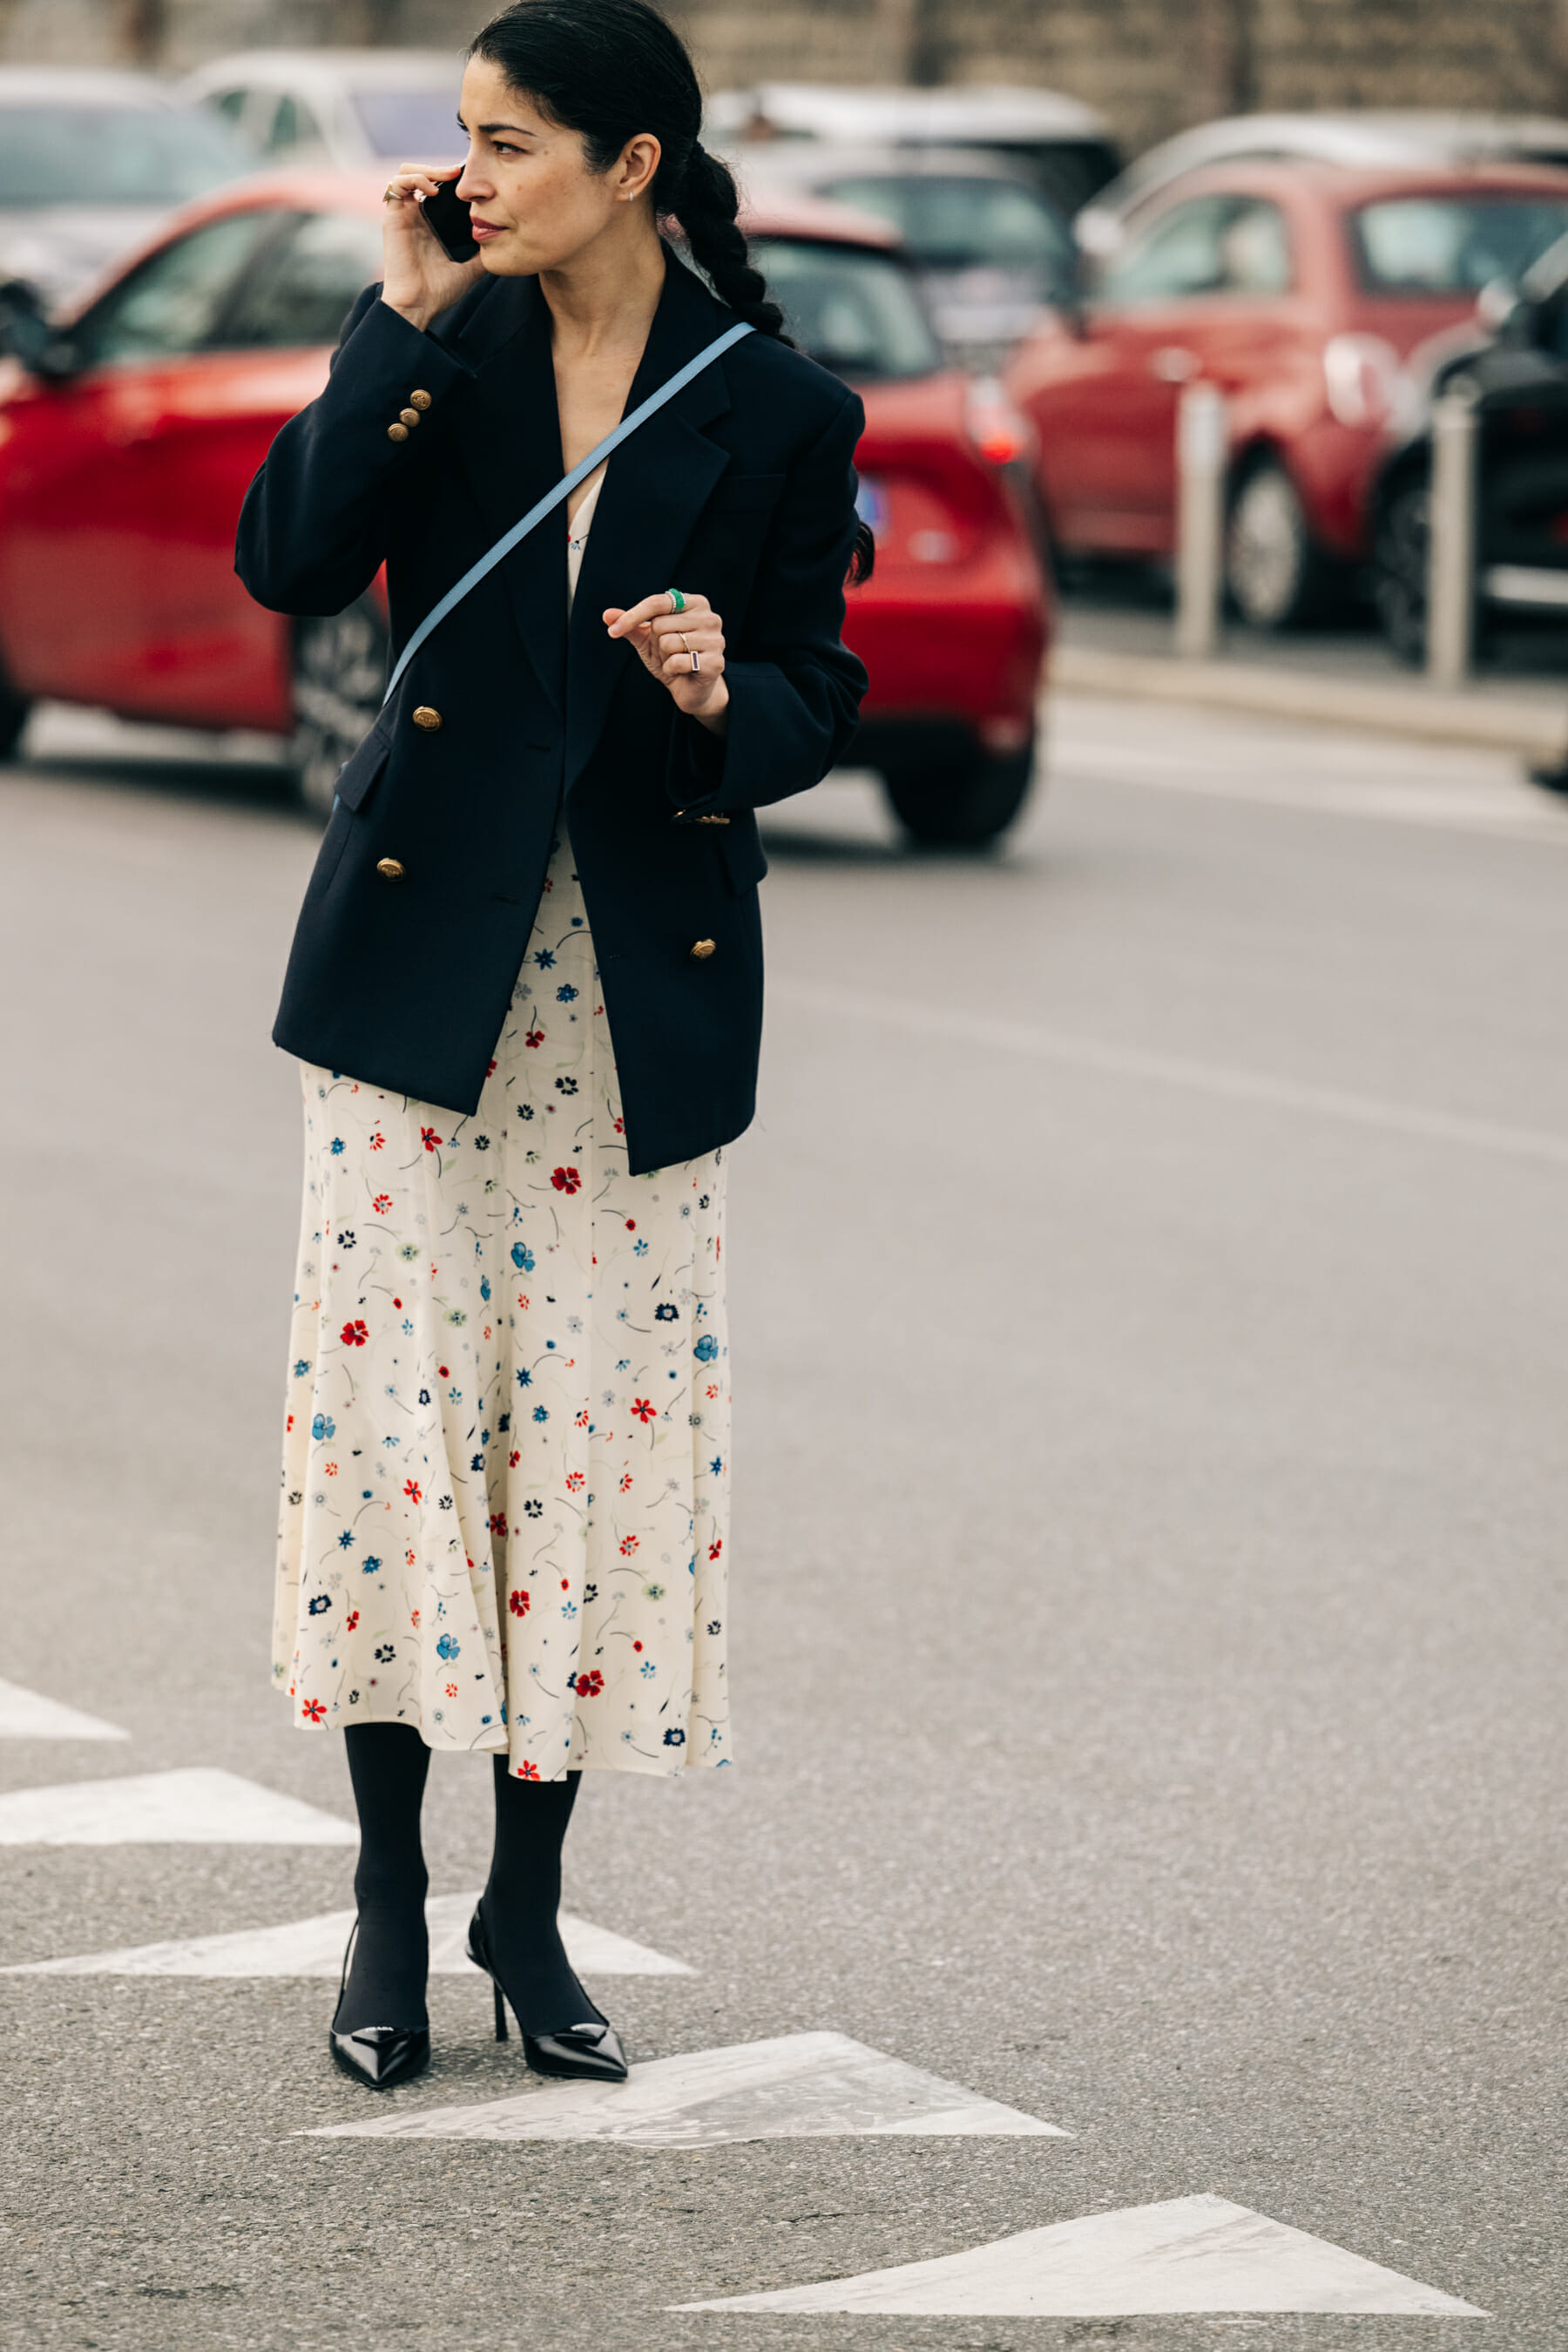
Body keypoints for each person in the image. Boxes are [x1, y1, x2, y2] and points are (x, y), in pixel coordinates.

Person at [235, 0, 869, 2092]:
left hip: (627, 993)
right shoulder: (449, 343)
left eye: (508, 145)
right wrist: (400, 331)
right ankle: (391, 1907)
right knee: (412, 1443)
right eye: (462, 139)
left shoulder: (771, 405)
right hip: (423, 988)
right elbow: (292, 558)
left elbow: (813, 692)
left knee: (574, 1457)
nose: (467, 176)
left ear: (634, 166)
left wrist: (719, 692)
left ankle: (527, 1902)